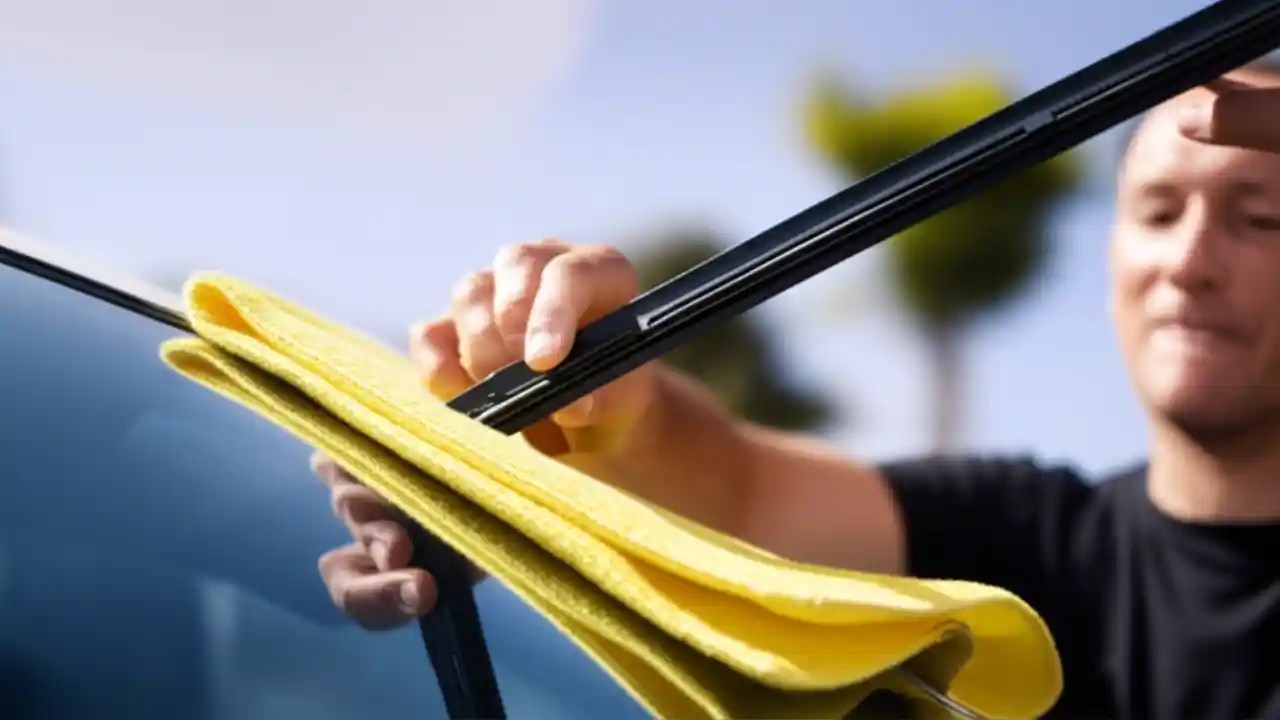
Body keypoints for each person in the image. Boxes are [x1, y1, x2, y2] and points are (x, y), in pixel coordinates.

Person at [308, 65, 1280, 720]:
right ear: (1109, 253)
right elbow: (735, 487)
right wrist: (599, 401)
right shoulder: (1030, 536)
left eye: (1260, 217)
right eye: (1156, 212)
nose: (1188, 259)